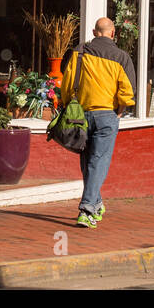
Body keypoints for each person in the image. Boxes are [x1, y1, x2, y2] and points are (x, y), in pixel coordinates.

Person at [59, 17, 135, 228]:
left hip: (80, 115)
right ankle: (87, 209)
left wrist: (66, 105)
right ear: (113, 33)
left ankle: (96, 202)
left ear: (94, 32)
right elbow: (128, 92)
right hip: (106, 116)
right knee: (97, 162)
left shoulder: (80, 52)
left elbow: (67, 83)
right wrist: (120, 110)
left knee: (87, 163)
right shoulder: (122, 57)